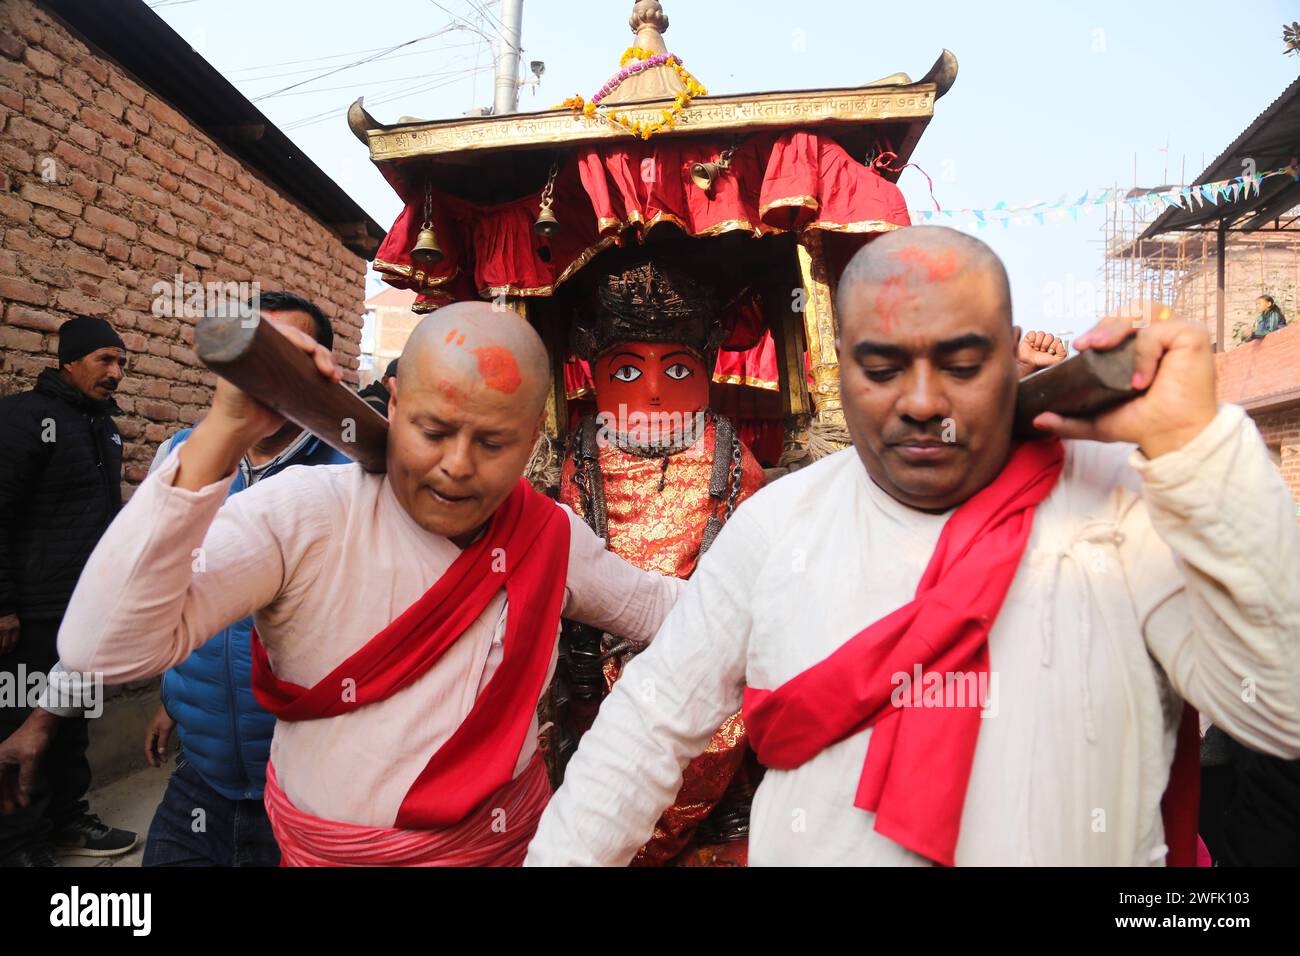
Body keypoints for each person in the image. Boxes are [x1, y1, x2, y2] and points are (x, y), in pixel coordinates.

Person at [525, 225, 1300, 867]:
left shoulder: (1117, 501)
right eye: (885, 367)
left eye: (961, 364)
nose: (924, 402)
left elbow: (1281, 715)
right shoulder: (779, 525)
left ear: (1011, 355)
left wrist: (1202, 452)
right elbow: (645, 733)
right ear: (842, 374)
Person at [13, 301, 682, 867]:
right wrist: (226, 429)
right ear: (394, 402)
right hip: (312, 849)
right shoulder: (303, 511)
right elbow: (103, 650)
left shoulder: (550, 537)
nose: (456, 466)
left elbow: (666, 610)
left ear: (534, 436)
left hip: (498, 847)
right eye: (433, 429)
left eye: (493, 442)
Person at [139, 291, 349, 867]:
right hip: (200, 780)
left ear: (320, 370)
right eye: (251, 351)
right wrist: (173, 696)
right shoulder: (187, 455)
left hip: (309, 791)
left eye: (285, 354)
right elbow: (139, 587)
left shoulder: (354, 475)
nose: (261, 372)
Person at [0, 316, 138, 866]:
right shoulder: (23, 419)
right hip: (30, 612)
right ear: (69, 361)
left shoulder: (103, 426)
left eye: (123, 363)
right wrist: (4, 603)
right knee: (21, 726)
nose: (116, 373)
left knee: (72, 720)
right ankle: (19, 844)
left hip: (82, 614)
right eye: (105, 360)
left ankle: (65, 820)